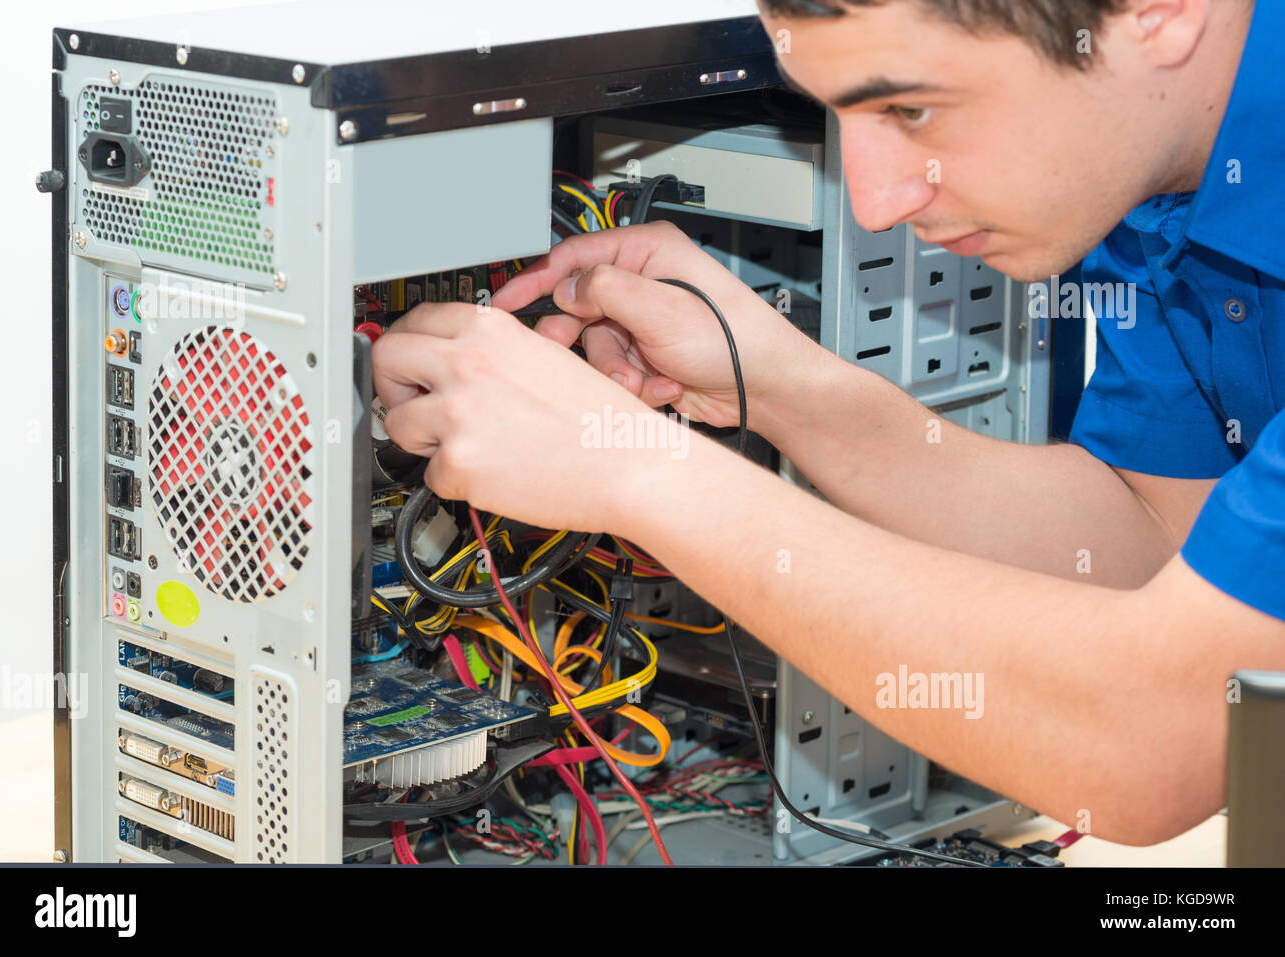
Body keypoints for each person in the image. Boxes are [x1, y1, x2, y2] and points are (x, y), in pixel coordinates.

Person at [371, 0, 1284, 845]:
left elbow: (1158, 727)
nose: (876, 201)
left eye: (915, 111)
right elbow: (1149, 547)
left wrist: (635, 470)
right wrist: (773, 380)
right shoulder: (1156, 177)